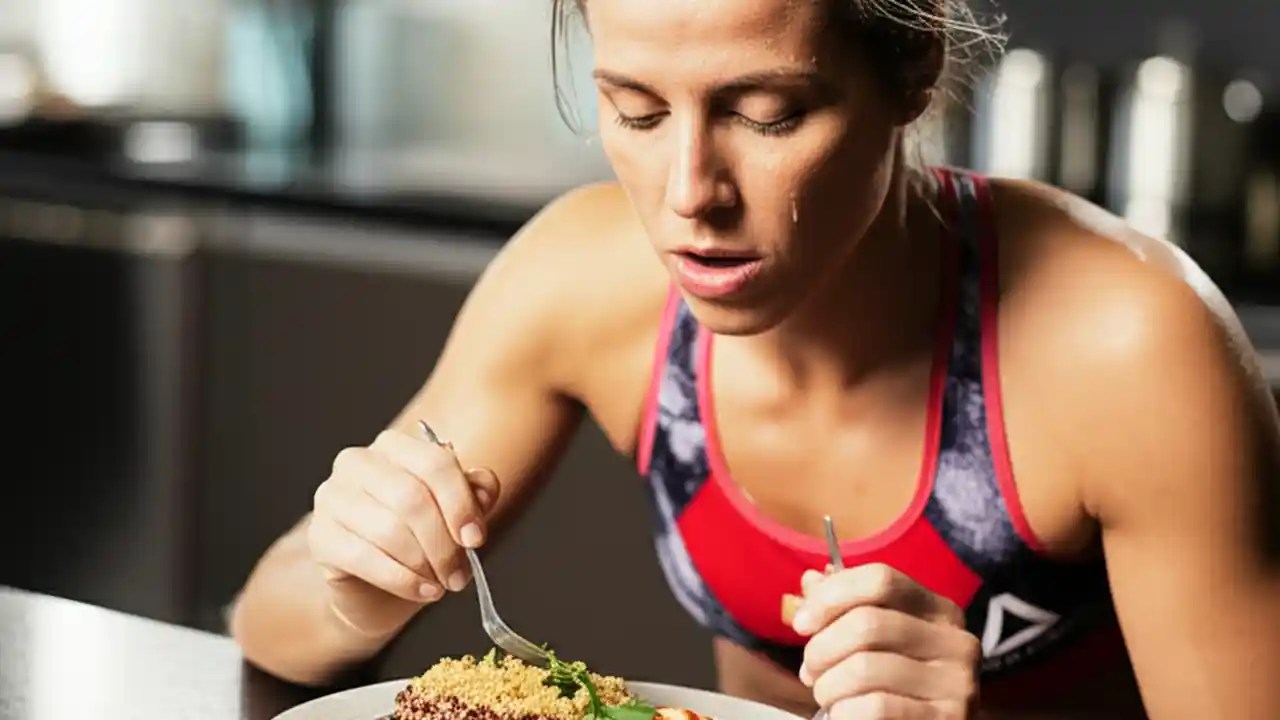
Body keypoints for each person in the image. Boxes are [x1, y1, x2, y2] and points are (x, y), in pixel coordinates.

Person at [229, 0, 1280, 717]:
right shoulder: (581, 280)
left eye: (764, 113)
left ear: (912, 69)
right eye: (634, 111)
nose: (689, 193)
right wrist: (352, 593)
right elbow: (267, 620)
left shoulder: (1128, 346)